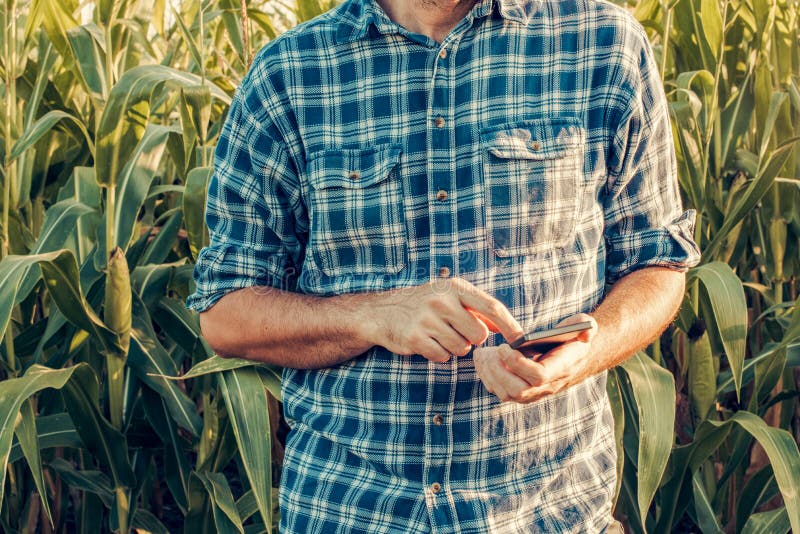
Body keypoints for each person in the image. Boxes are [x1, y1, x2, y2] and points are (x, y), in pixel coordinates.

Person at [187, 0, 701, 531]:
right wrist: (375, 316)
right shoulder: (290, 75)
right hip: (352, 511)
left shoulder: (603, 45)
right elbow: (226, 312)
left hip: (549, 513)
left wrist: (585, 349)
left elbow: (658, 264)